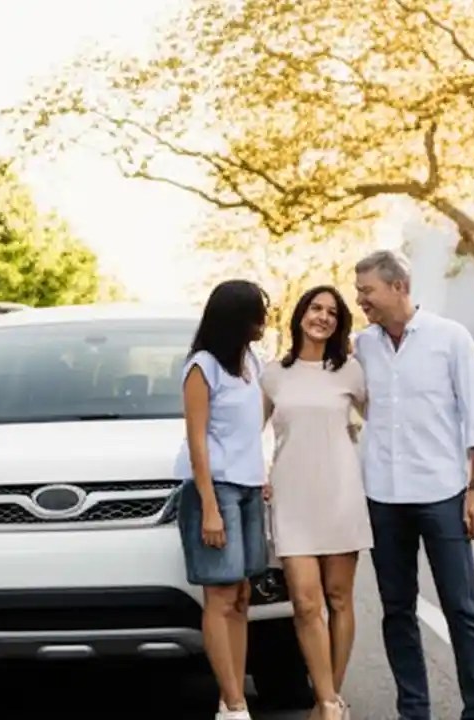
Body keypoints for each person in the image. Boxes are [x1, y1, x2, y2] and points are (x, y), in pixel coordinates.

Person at [351, 250, 474, 720]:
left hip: (442, 494)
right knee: (397, 612)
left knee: (462, 610)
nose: (361, 299)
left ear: (398, 287)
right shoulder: (362, 346)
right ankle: (414, 710)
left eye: (367, 290)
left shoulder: (449, 338)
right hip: (383, 499)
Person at [260, 285, 369, 720]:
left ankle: (329, 700)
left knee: (339, 599)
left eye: (331, 312)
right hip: (292, 498)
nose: (322, 316)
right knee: (306, 603)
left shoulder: (351, 371)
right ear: (300, 314)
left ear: (339, 323)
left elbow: (382, 424)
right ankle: (326, 699)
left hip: (341, 494)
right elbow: (250, 434)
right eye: (315, 308)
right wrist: (257, 476)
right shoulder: (273, 374)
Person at [174, 278, 270, 720]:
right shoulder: (203, 366)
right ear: (236, 318)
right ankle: (233, 704)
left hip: (250, 488)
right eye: (256, 314)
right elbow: (197, 441)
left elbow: (258, 424)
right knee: (220, 596)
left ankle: (231, 699)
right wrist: (210, 507)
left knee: (243, 595)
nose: (263, 322)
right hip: (215, 489)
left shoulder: (251, 361)